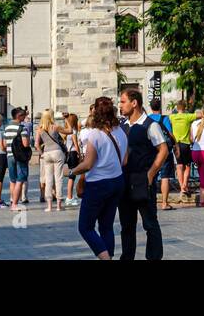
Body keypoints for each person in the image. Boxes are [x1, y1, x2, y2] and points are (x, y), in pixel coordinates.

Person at [70, 96, 128, 260]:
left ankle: (106, 259)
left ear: (95, 111)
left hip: (98, 184)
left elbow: (88, 164)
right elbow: (125, 160)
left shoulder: (95, 135)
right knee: (106, 226)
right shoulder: (121, 132)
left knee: (85, 227)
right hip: (117, 181)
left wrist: (71, 171)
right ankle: (108, 255)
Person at [116, 87, 167, 260]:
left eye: (123, 102)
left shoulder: (150, 125)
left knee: (149, 223)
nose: (120, 106)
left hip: (143, 181)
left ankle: (153, 257)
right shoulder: (122, 127)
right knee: (127, 225)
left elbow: (163, 150)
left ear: (134, 103)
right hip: (125, 181)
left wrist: (151, 174)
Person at [147, 99, 177, 210]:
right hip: (165, 151)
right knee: (165, 177)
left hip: (152, 151)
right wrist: (176, 145)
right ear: (160, 107)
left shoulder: (147, 118)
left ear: (150, 107)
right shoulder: (164, 119)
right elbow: (170, 134)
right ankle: (164, 203)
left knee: (151, 175)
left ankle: (150, 200)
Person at [37, 109, 68, 211]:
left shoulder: (40, 129)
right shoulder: (55, 126)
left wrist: (42, 154)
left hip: (47, 153)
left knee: (48, 179)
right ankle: (59, 205)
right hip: (57, 152)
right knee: (58, 178)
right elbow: (70, 131)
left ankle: (49, 206)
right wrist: (67, 119)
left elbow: (36, 145)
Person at [3, 108, 32, 210]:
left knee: (12, 180)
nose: (25, 118)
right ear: (19, 116)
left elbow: (3, 145)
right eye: (23, 116)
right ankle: (15, 204)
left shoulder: (6, 128)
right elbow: (25, 144)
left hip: (10, 156)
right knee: (20, 180)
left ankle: (13, 201)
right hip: (20, 157)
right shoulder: (22, 128)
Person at [168, 100, 196, 202]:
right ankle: (185, 185)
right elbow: (201, 115)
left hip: (176, 144)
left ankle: (182, 188)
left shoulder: (172, 117)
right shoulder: (188, 116)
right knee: (188, 165)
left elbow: (165, 119)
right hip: (185, 144)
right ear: (184, 108)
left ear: (177, 107)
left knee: (179, 166)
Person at [62, 113, 83, 206]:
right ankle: (69, 197)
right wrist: (80, 154)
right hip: (73, 153)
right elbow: (76, 144)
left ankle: (69, 196)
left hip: (69, 153)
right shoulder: (73, 131)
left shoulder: (67, 131)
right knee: (72, 176)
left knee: (72, 175)